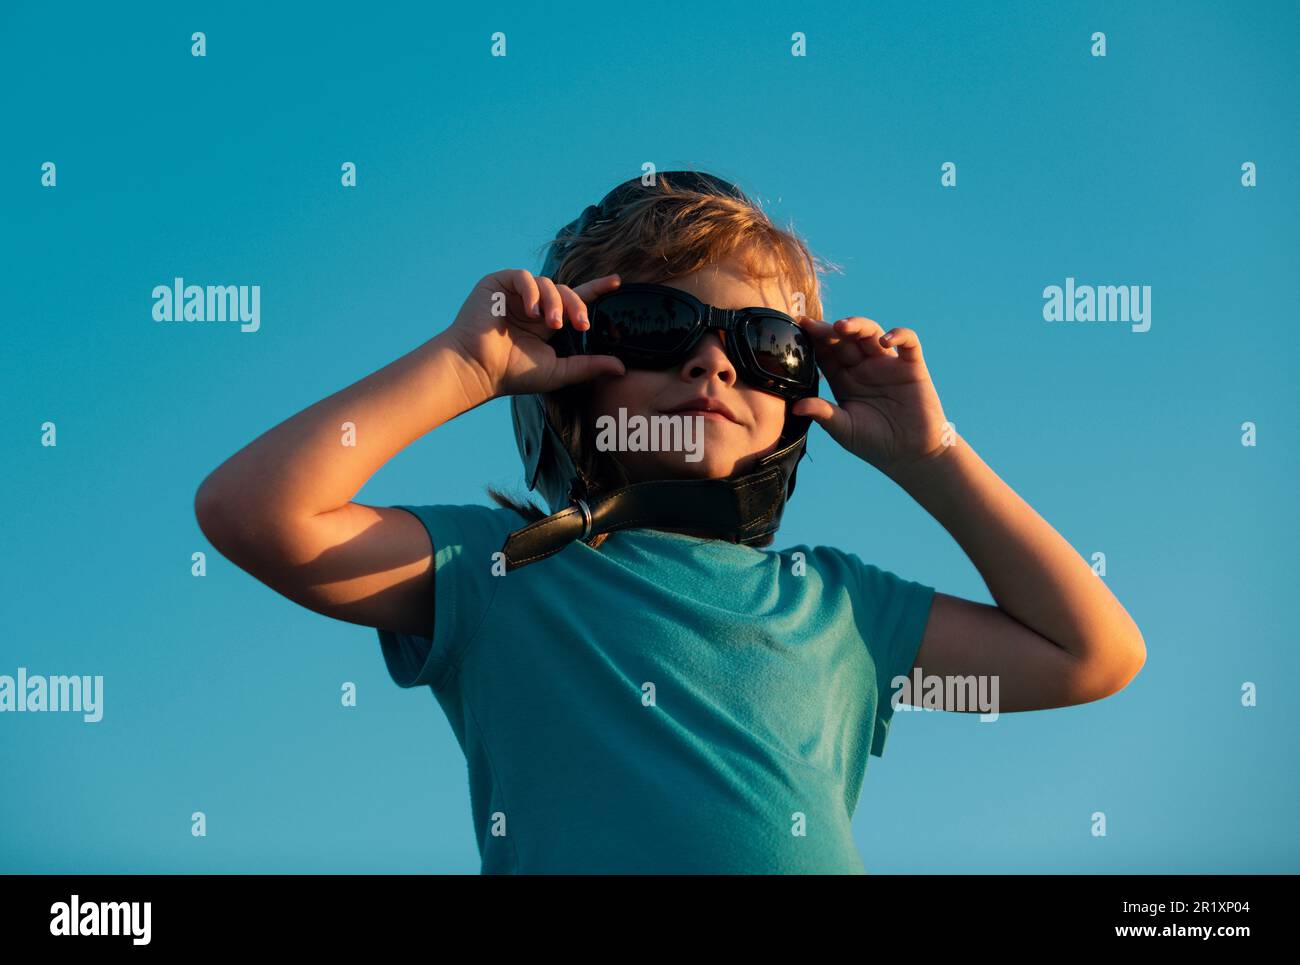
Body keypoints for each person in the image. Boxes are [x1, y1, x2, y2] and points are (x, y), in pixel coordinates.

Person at [194, 171, 1146, 874]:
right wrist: (463, 367)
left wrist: (930, 459)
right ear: (566, 367)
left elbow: (1089, 655)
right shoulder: (502, 572)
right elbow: (255, 513)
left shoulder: (845, 612)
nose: (712, 364)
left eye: (764, 344)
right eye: (655, 326)